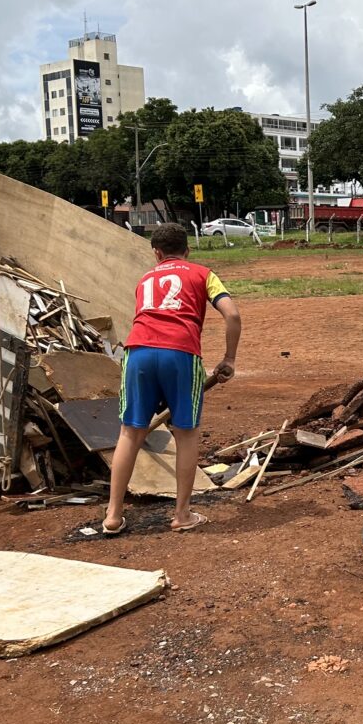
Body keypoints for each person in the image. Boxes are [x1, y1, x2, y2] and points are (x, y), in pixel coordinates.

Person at [102, 221, 241, 535]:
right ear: (188, 250)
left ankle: (112, 515)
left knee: (130, 433)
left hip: (137, 353)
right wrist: (229, 357)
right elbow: (231, 314)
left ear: (157, 253)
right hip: (180, 353)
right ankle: (182, 515)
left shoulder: (145, 279)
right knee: (186, 433)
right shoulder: (203, 273)